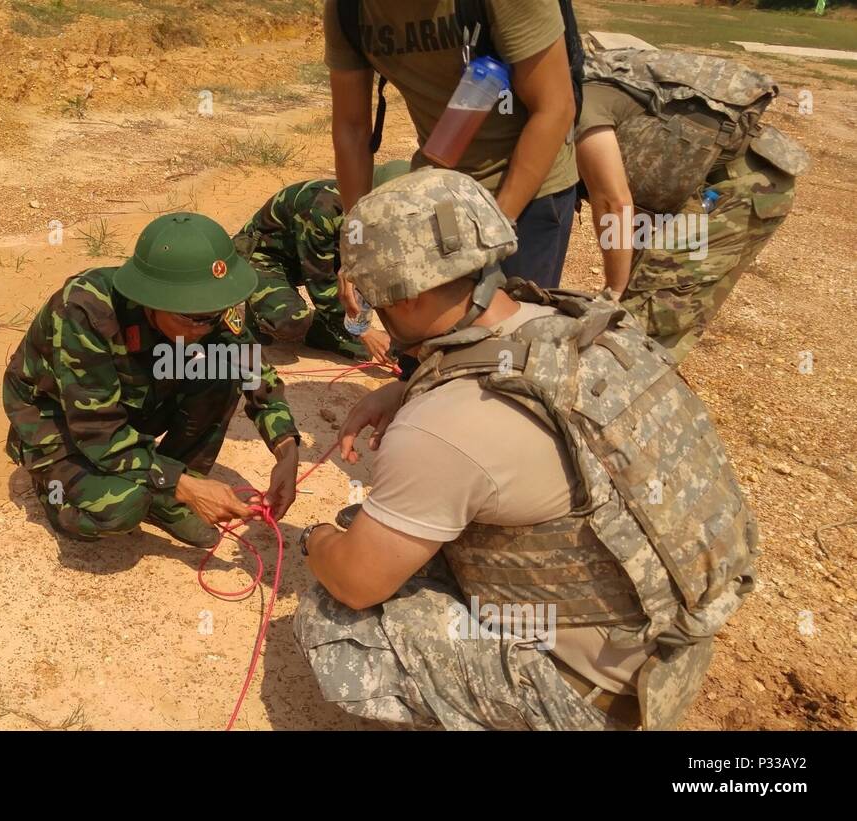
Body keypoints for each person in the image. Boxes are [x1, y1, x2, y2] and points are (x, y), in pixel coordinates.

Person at [292, 168, 758, 730]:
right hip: (668, 647)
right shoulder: (581, 323)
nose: (372, 311)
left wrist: (314, 541)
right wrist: (403, 389)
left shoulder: (440, 429)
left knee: (333, 608)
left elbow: (355, 581)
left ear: (408, 295)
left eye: (373, 298)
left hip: (581, 699)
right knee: (399, 526)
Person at [3, 213, 300, 548]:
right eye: (193, 318)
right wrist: (186, 485)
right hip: (60, 421)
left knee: (221, 369)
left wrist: (287, 451)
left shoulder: (207, 312)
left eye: (214, 314)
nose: (205, 327)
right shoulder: (85, 311)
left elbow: (254, 373)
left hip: (127, 404)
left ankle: (164, 495)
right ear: (152, 300)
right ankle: (56, 489)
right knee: (120, 508)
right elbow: (98, 431)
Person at [323, 0, 580, 294]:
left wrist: (493, 229)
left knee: (511, 329)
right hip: (441, 188)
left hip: (528, 189)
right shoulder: (348, 8)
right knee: (434, 332)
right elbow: (351, 129)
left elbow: (555, 107)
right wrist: (357, 244)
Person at [576, 48, 809, 362]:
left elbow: (614, 204)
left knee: (644, 320)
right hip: (712, 182)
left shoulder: (580, 107)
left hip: (732, 189)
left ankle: (630, 398)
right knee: (647, 297)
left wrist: (613, 292)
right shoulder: (584, 79)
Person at [233, 160, 411, 363]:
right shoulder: (322, 208)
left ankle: (329, 327)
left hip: (307, 255)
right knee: (291, 322)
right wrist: (364, 331)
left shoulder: (366, 213)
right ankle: (262, 312)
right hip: (265, 258)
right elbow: (321, 283)